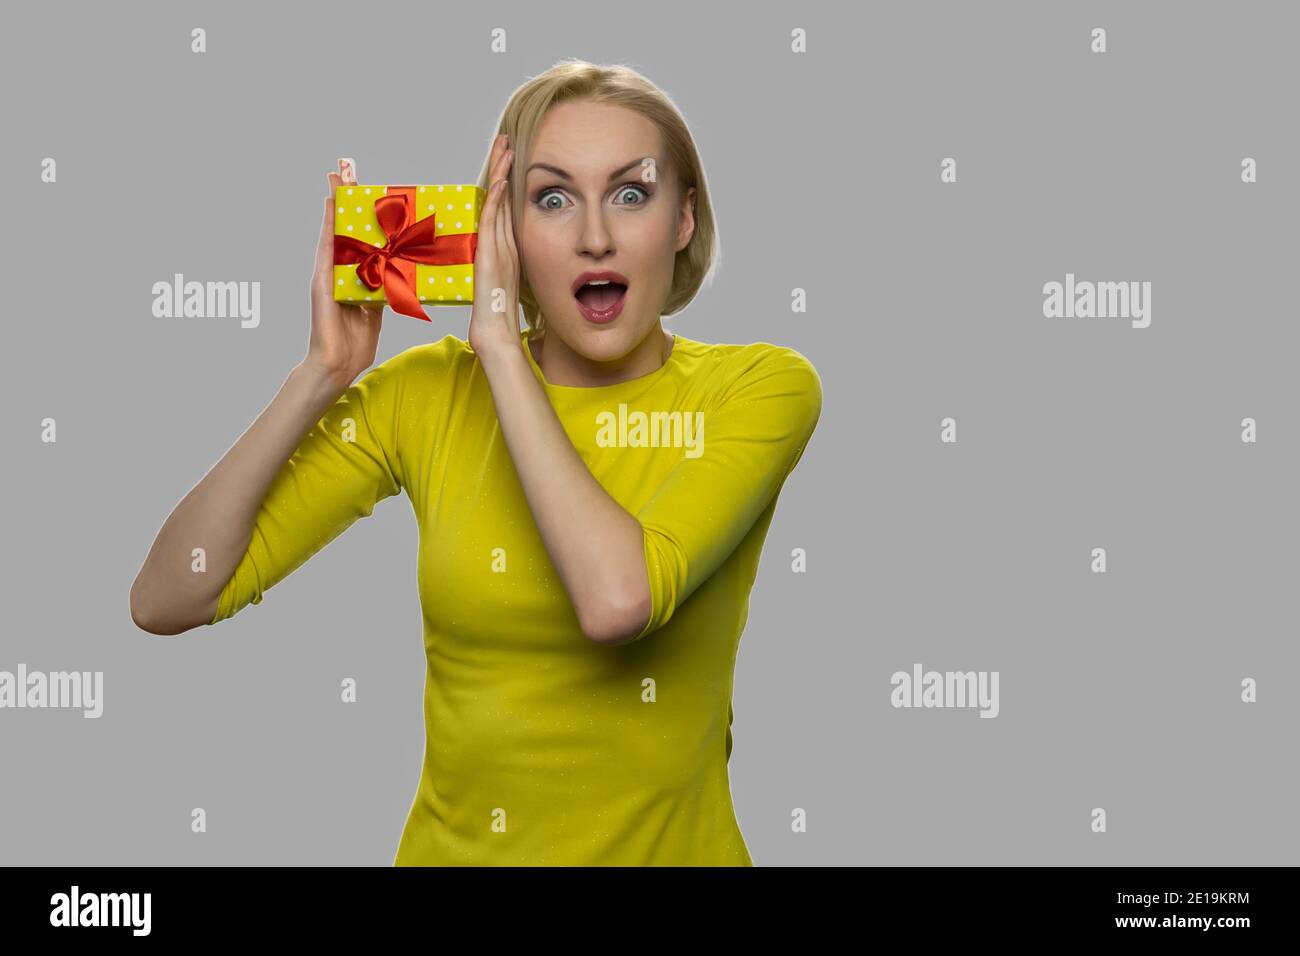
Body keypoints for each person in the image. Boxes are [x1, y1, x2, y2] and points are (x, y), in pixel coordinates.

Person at [130, 59, 822, 866]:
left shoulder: (760, 389)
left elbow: (617, 602)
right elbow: (166, 597)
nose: (595, 235)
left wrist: (497, 345)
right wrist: (319, 374)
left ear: (683, 219)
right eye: (552, 198)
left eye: (631, 194)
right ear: (504, 229)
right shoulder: (426, 397)